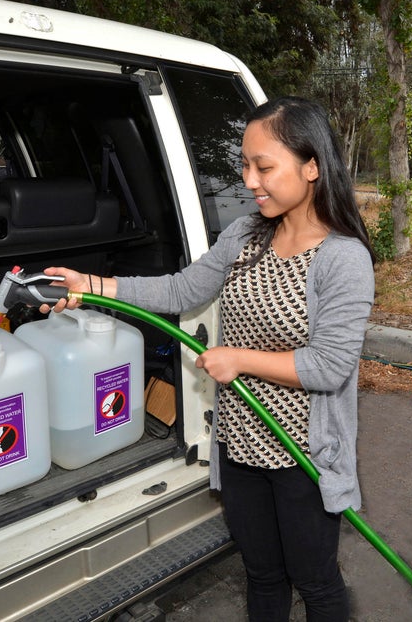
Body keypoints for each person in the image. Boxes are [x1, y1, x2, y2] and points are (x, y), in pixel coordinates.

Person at [42, 95, 375, 621]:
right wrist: (92, 285)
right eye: (245, 165)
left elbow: (329, 366)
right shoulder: (246, 235)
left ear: (312, 166)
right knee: (262, 575)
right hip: (241, 445)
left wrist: (239, 359)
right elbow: (179, 292)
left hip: (303, 460)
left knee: (316, 582)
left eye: (264, 166)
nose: (249, 180)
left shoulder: (344, 259)